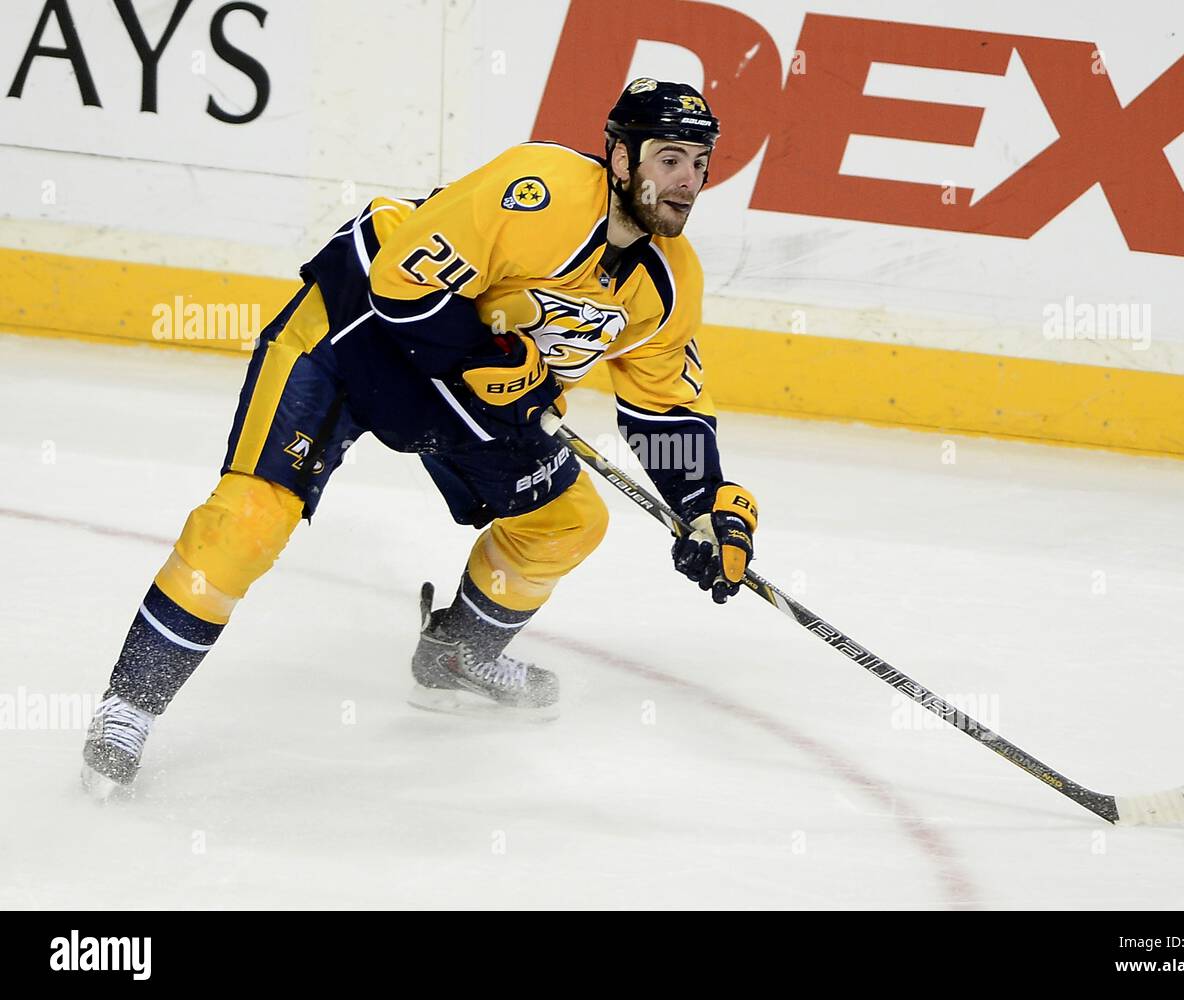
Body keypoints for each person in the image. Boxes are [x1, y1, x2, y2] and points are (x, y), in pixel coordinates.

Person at [81, 78, 760, 797]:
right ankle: (129, 706)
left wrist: (708, 503)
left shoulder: (669, 283)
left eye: (699, 162)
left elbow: (666, 413)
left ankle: (458, 655)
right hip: (352, 341)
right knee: (250, 519)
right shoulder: (541, 191)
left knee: (568, 521)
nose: (687, 181)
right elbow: (403, 295)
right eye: (669, 158)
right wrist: (501, 363)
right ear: (621, 160)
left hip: (461, 394)